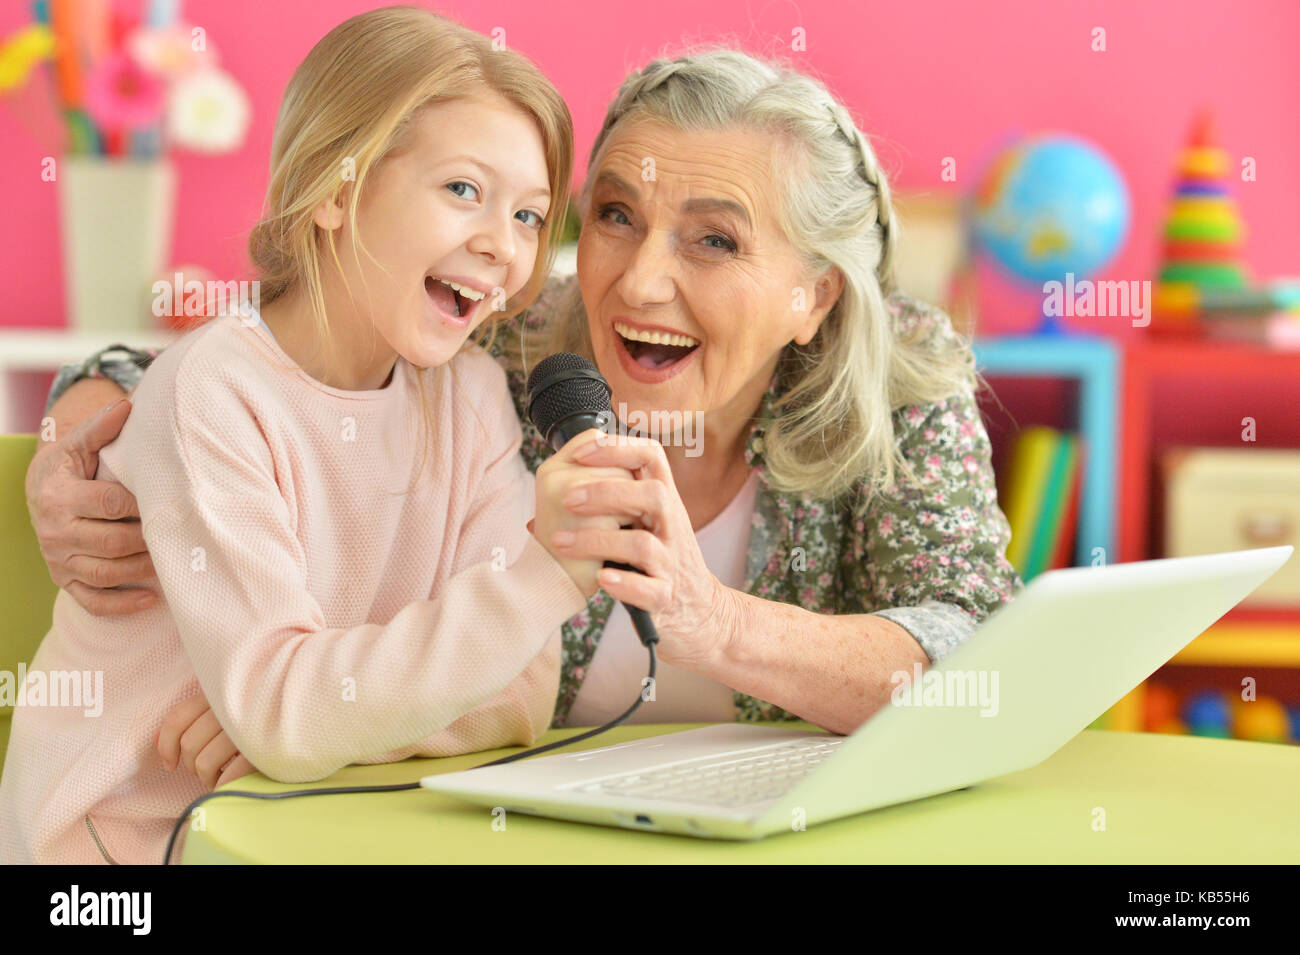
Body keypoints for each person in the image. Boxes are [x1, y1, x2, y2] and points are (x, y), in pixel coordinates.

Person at [26, 49, 1024, 798]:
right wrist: (80, 440)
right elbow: (259, 357)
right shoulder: (500, 342)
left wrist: (711, 620)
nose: (636, 281)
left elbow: (987, 660)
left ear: (814, 296)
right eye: (617, 216)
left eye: (713, 239)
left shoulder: (900, 377)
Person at [0, 7, 622, 865]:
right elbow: (291, 711)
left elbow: (521, 687)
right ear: (334, 190)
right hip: (125, 851)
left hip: (319, 820)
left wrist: (317, 725)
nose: (502, 247)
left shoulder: (473, 398)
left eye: (529, 215)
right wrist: (544, 576)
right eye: (464, 190)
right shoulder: (214, 393)